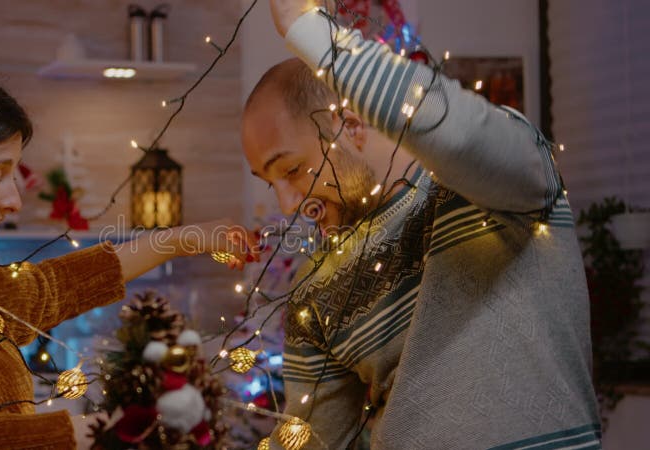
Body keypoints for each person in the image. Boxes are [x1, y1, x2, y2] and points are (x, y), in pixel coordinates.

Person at [240, 1, 601, 449]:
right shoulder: (315, 291)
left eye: (291, 170)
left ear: (349, 124)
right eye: (268, 182)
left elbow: (462, 135)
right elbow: (311, 440)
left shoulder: (491, 187)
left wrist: (308, 31)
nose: (287, 203)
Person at [0, 65, 258, 449]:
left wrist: (191, 238)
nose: (13, 200)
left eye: (13, 177)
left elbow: (53, 287)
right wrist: (105, 431)